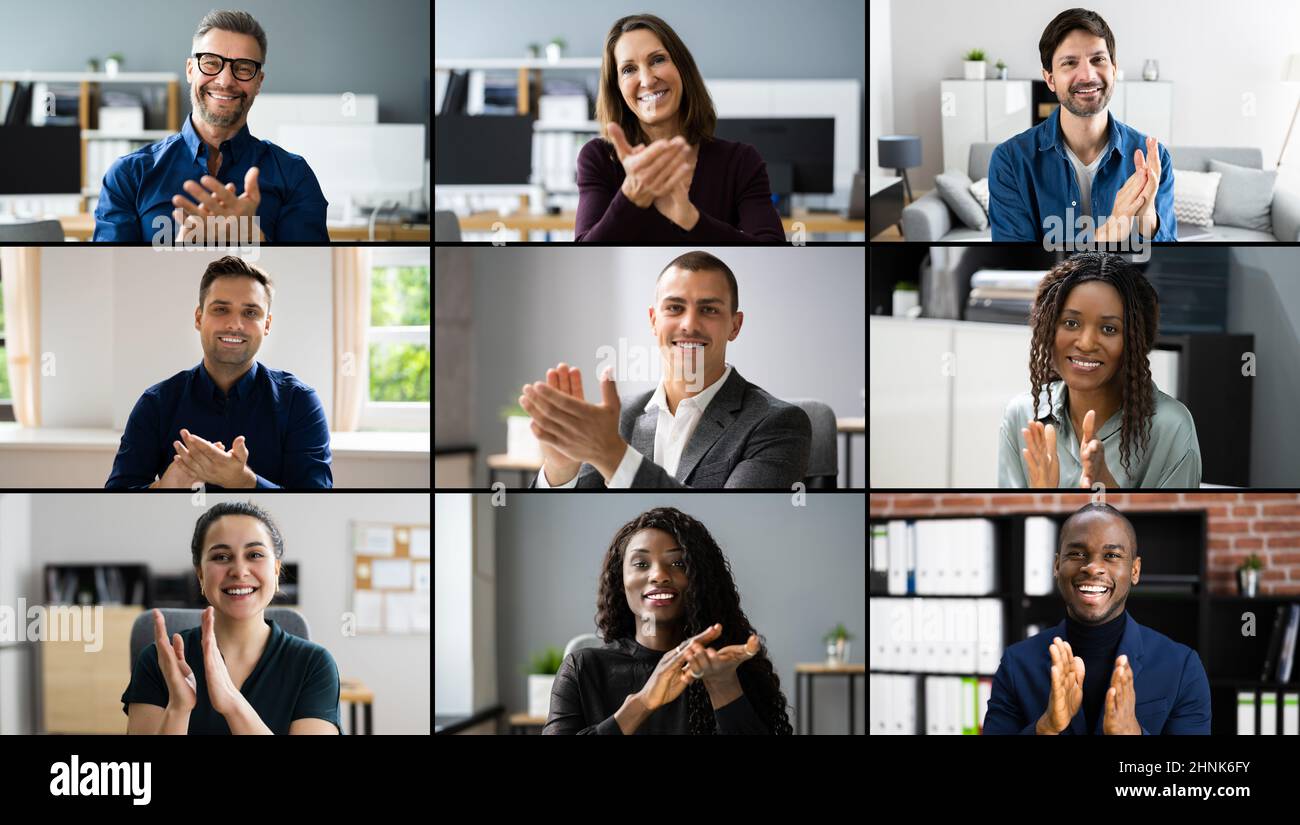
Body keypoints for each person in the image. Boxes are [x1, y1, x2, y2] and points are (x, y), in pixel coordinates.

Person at [521, 251, 810, 488]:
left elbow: (729, 519)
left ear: (735, 325)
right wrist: (560, 471)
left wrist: (614, 457)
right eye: (674, 308)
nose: (689, 324)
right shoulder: (620, 418)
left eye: (708, 309)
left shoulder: (778, 423)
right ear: (653, 320)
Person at [544, 507, 793, 734]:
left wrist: (723, 685)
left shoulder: (730, 666)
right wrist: (643, 702)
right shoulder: (582, 669)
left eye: (677, 563)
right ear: (621, 582)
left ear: (700, 578)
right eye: (641, 564)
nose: (659, 576)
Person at [93, 9, 328, 242]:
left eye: (243, 68)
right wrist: (178, 257)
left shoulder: (294, 175)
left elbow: (310, 275)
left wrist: (255, 241)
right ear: (190, 70)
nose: (225, 81)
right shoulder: (129, 175)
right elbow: (111, 274)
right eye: (211, 63)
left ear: (259, 82)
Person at [106, 256, 332, 489]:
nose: (235, 324)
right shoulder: (156, 403)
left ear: (267, 325)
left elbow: (316, 499)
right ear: (198, 317)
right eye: (221, 309)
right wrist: (164, 488)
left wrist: (244, 481)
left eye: (251, 313)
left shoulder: (299, 402)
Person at [983, 502, 1211, 734]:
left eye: (1111, 555)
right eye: (1077, 554)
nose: (1092, 568)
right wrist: (1046, 728)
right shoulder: (1016, 664)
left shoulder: (1182, 666)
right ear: (1057, 565)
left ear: (1135, 571)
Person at [123, 501, 340, 734]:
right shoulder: (158, 661)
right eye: (222, 557)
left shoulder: (314, 665)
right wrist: (178, 709)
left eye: (254, 554)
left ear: (276, 570)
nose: (239, 570)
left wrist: (232, 704)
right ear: (200, 575)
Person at [575, 13, 784, 242]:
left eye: (657, 60)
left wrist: (691, 219)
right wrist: (631, 195)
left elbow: (772, 246)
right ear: (616, 89)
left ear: (682, 68)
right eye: (628, 69)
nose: (646, 80)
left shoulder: (741, 161)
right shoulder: (598, 158)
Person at [998, 252, 1200, 488]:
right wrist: (1043, 496)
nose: (1085, 343)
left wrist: (1106, 486)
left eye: (1109, 329)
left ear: (1136, 340)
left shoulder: (1172, 427)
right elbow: (1015, 522)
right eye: (1071, 323)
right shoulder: (1021, 416)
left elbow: (1168, 526)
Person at [988, 8, 1175, 242]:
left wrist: (1146, 218)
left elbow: (1165, 261)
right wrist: (1105, 236)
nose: (1087, 75)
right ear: (1050, 79)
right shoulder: (1011, 161)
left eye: (1098, 60)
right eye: (1069, 63)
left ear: (1114, 69)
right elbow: (1015, 267)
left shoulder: (1153, 159)